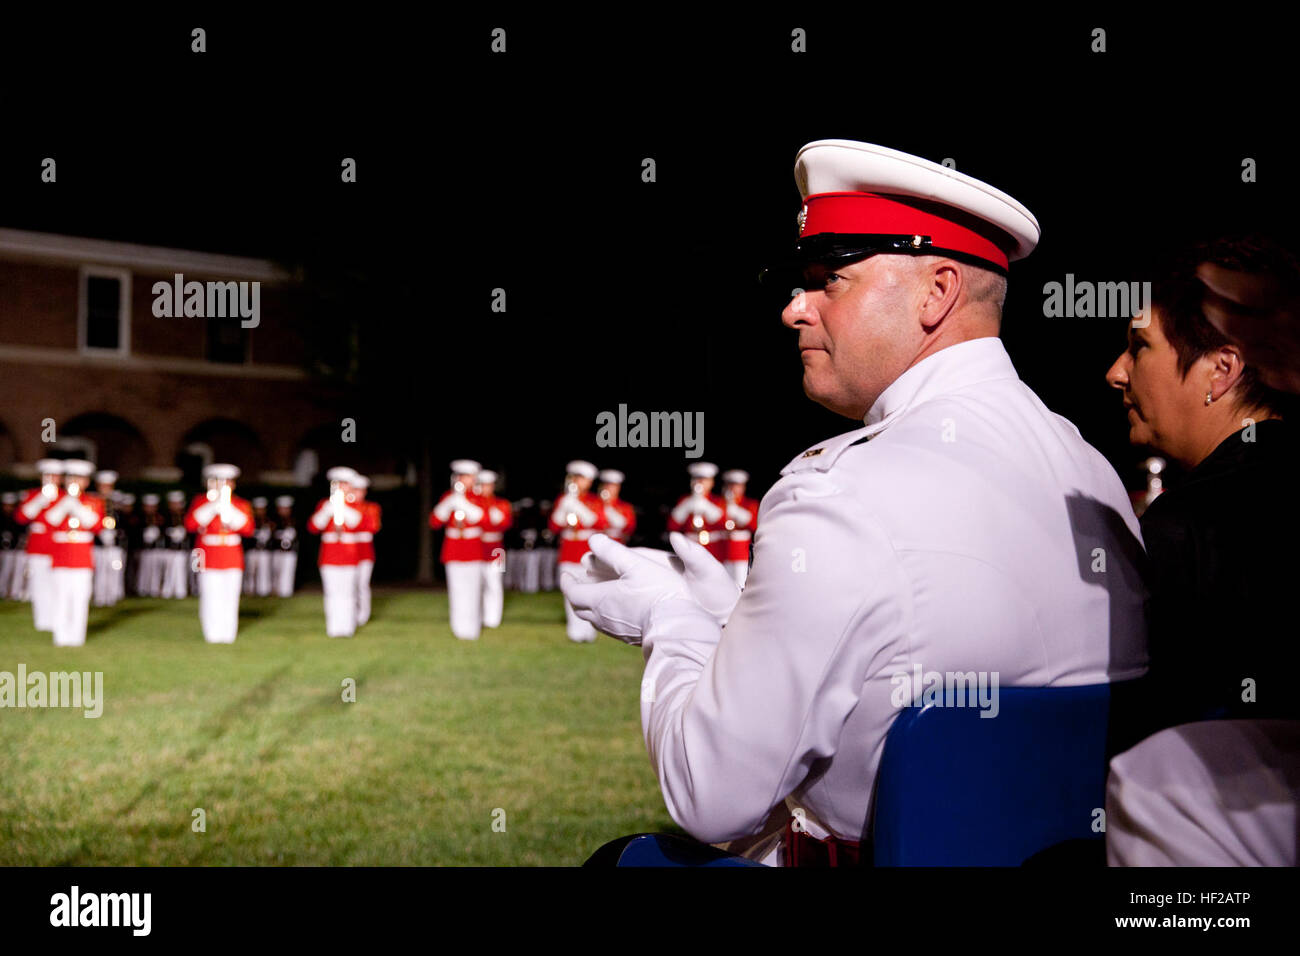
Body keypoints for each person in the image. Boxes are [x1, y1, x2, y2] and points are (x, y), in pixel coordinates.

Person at [562, 139, 1147, 865]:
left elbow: (712, 796)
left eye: (827, 279)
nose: (793, 309)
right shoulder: (1090, 471)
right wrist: (728, 621)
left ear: (936, 292)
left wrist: (672, 621)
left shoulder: (838, 491)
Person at [1102, 236, 1300, 866]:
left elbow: (1142, 734)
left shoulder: (1190, 524)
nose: (1116, 372)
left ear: (1222, 368)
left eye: (1139, 348)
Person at [184, 464, 255, 643]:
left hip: (232, 556)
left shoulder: (240, 504)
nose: (223, 486)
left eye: (227, 482)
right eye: (218, 482)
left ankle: (228, 633)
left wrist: (227, 508)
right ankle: (212, 633)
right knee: (210, 596)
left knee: (230, 596)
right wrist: (212, 506)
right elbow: (190, 525)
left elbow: (248, 529)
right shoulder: (200, 501)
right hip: (207, 556)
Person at [42, 460, 105, 647]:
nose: (76, 482)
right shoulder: (56, 499)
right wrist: (66, 503)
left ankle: (77, 637)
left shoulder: (93, 501)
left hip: (82, 557)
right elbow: (49, 521)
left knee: (80, 598)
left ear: (86, 482)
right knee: (60, 597)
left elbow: (96, 525)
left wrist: (76, 505)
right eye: (72, 478)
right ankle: (61, 637)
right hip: (61, 556)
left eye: (80, 479)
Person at [429, 460, 489, 640]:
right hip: (453, 550)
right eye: (461, 477)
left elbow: (485, 520)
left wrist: (463, 503)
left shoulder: (479, 498)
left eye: (468, 477)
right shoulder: (449, 497)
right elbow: (434, 521)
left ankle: (472, 628)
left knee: (473, 590)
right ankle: (458, 628)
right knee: (456, 591)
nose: (464, 480)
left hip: (473, 550)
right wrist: (450, 502)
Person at [548, 460, 607, 643]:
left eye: (586, 480)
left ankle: (589, 631)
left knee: (589, 593)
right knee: (570, 593)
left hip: (586, 551)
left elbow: (598, 522)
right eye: (579, 479)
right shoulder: (563, 499)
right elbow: (554, 526)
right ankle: (574, 631)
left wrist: (577, 506)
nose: (582, 483)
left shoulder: (594, 501)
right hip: (568, 551)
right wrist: (566, 504)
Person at [307, 467, 366, 638]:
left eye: (345, 484)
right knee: (332, 593)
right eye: (338, 484)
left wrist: (342, 508)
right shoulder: (325, 504)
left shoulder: (356, 505)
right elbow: (313, 526)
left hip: (349, 555)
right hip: (330, 555)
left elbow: (360, 524)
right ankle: (333, 628)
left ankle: (347, 628)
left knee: (348, 593)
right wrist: (327, 510)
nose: (342, 488)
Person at [15, 459, 64, 631]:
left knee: (58, 585)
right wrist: (41, 499)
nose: (51, 479)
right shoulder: (33, 495)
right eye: (48, 476)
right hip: (38, 548)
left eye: (55, 476)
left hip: (59, 548)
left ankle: (56, 618)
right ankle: (42, 620)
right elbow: (21, 517)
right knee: (39, 585)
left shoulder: (65, 497)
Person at [666, 462, 727, 561]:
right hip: (689, 546)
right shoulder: (685, 500)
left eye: (705, 480)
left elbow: (724, 525)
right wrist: (686, 506)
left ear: (712, 482)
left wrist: (707, 507)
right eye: (697, 479)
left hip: (713, 549)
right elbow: (672, 526)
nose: (700, 482)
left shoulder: (718, 501)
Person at [474, 470, 512, 629]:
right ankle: (478, 616)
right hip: (477, 547)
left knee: (495, 583)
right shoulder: (473, 503)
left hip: (497, 549)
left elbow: (505, 523)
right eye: (483, 485)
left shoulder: (501, 504)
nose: (486, 488)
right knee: (477, 583)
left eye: (489, 485)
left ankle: (493, 618)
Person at [91, 470, 125, 607]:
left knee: (114, 570)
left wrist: (116, 533)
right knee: (99, 570)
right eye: (103, 485)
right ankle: (99, 596)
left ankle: (112, 595)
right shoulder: (93, 501)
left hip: (115, 544)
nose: (106, 489)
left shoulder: (117, 501)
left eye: (108, 486)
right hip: (98, 543)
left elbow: (123, 521)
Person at [720, 469, 759, 588]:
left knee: (740, 584)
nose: (733, 489)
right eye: (730, 485)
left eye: (737, 485)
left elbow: (754, 525)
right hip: (722, 551)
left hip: (740, 553)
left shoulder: (749, 504)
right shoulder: (720, 503)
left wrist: (736, 510)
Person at [352, 475, 381, 627]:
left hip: (364, 551)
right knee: (349, 584)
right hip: (349, 550)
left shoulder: (371, 507)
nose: (358, 494)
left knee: (362, 584)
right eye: (355, 490)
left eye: (361, 490)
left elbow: (373, 526)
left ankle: (363, 614)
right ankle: (350, 612)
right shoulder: (345, 505)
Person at [162, 490, 191, 599]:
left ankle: (180, 591)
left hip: (181, 549)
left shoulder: (184, 516)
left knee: (181, 570)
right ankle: (167, 590)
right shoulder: (166, 516)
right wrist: (169, 532)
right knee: (169, 570)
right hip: (169, 549)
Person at [597, 469, 636, 545]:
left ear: (618, 487)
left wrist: (607, 506)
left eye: (612, 485)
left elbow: (629, 527)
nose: (608, 488)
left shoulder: (625, 506)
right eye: (606, 484)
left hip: (615, 542)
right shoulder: (594, 503)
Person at [244, 497, 274, 597]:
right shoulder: (250, 519)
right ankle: (249, 590)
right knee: (250, 572)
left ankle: (263, 591)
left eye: (262, 508)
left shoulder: (269, 521)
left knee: (264, 571)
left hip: (264, 551)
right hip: (252, 551)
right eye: (257, 508)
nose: (260, 511)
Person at [271, 495, 299, 597]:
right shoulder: (274, 521)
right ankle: (276, 591)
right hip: (277, 551)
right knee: (276, 572)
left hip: (290, 552)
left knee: (287, 572)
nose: (283, 511)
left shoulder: (294, 520)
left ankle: (286, 592)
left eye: (286, 508)